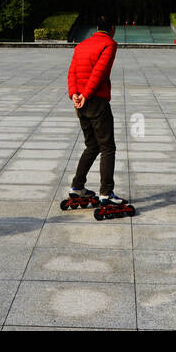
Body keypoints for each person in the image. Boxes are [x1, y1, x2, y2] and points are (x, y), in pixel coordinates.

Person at [66, 13, 124, 207]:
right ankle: (106, 193)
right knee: (107, 147)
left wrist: (75, 94)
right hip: (95, 101)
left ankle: (77, 186)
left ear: (96, 28)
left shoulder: (81, 45)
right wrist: (86, 95)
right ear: (112, 28)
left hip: (79, 104)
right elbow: (99, 72)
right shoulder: (109, 44)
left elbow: (72, 71)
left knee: (92, 146)